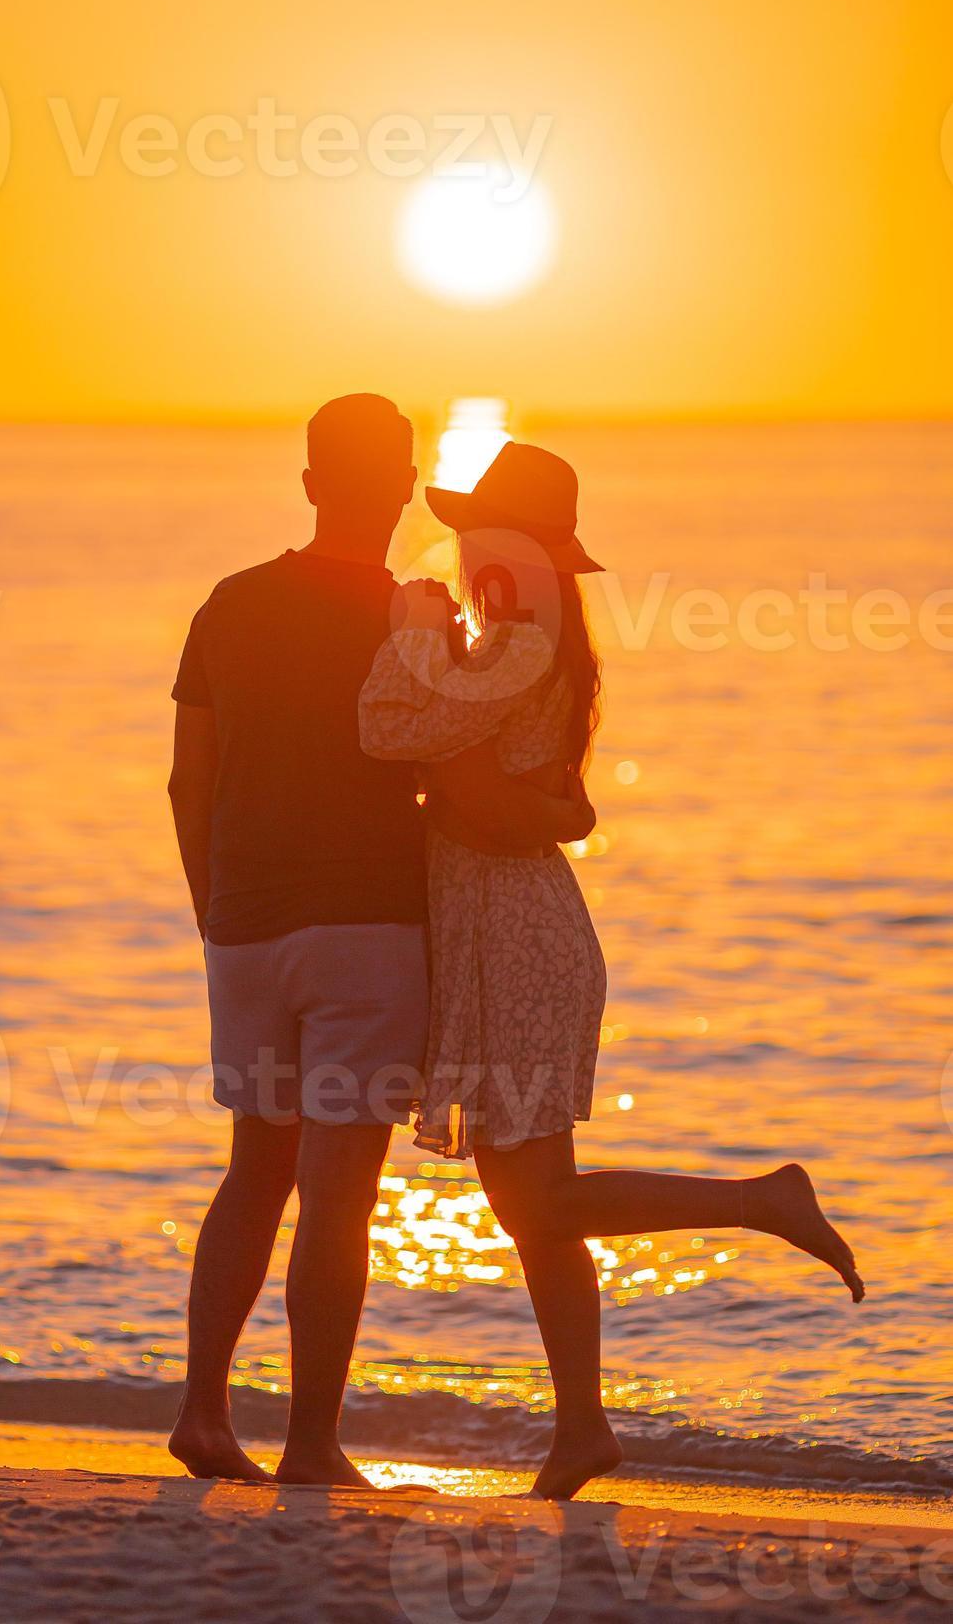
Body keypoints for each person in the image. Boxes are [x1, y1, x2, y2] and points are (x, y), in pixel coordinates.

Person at [360, 440, 865, 1501]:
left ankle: (758, 1202)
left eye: (480, 537)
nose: (462, 554)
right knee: (532, 1206)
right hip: (503, 934)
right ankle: (581, 1427)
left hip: (516, 939)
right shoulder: (518, 643)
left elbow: (395, 738)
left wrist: (406, 638)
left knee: (538, 1203)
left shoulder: (510, 647)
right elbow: (493, 790)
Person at [166, 396, 596, 1486]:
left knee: (252, 1171)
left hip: (244, 925)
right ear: (402, 487)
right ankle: (311, 1443)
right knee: (338, 1191)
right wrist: (560, 810)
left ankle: (204, 1412)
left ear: (309, 483)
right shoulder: (419, 615)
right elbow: (453, 768)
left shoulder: (226, 606)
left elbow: (188, 779)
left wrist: (216, 913)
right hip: (365, 926)